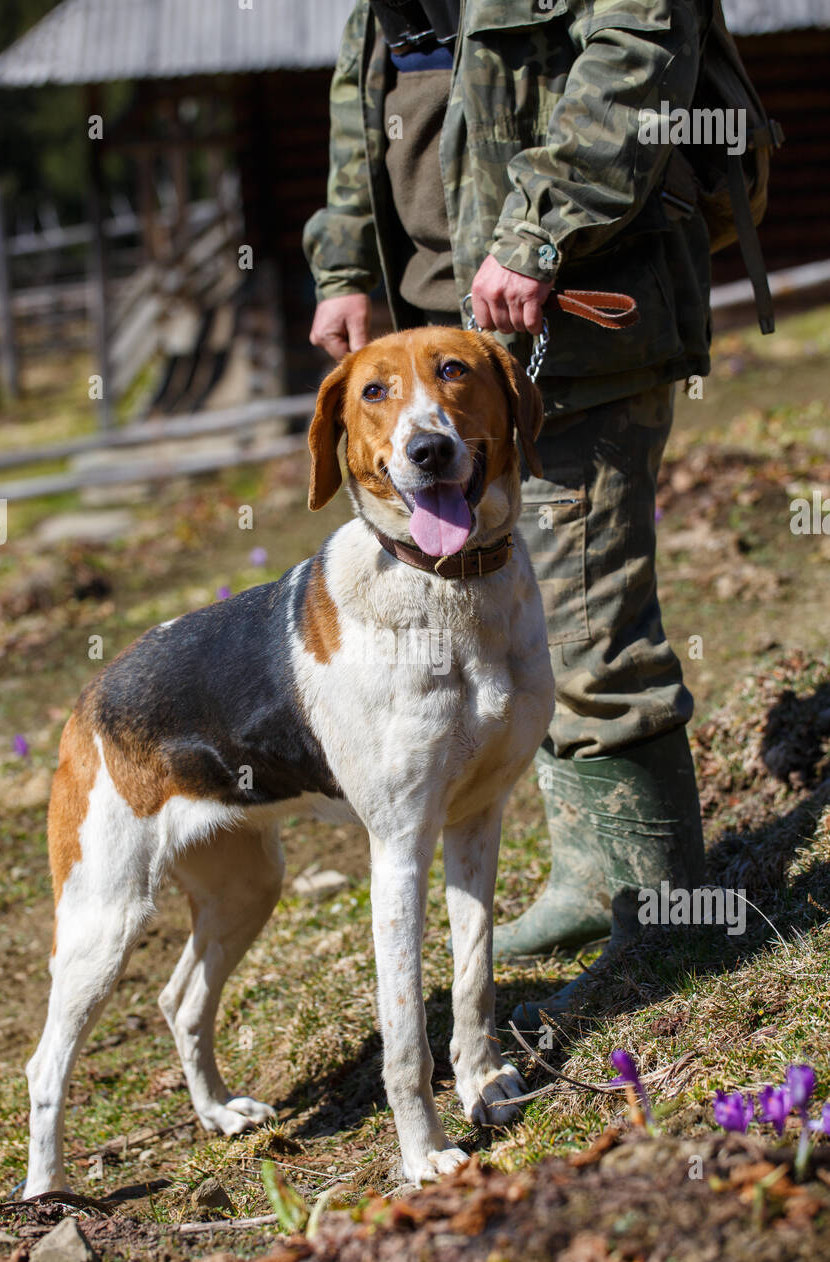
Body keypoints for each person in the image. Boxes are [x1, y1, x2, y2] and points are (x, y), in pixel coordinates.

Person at [303, 0, 711, 1018]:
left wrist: (534, 234)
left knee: (587, 627)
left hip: (571, 316)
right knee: (511, 632)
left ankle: (663, 914)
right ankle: (589, 886)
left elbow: (638, 53)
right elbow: (367, 106)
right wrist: (347, 267)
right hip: (432, 348)